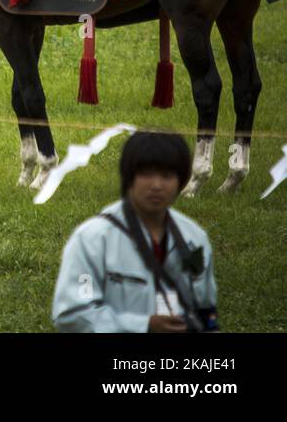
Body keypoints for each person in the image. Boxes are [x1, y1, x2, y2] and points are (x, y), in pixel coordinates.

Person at [52, 132, 217, 333]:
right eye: (146, 174)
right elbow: (72, 314)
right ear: (129, 176)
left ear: (181, 181)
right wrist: (144, 326)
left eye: (167, 176)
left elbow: (207, 311)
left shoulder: (195, 239)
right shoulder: (91, 240)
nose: (156, 185)